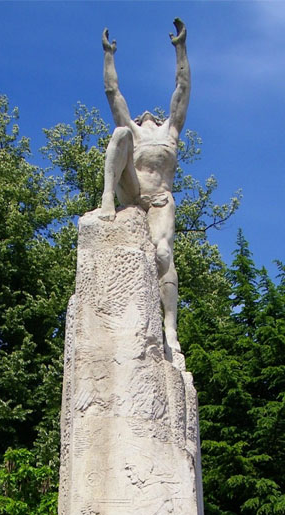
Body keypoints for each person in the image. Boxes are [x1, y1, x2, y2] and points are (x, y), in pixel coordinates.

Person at [100, 19, 191, 352]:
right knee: (118, 135)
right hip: (132, 191)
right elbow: (113, 92)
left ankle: (170, 330)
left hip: (160, 201)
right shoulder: (134, 131)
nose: (147, 114)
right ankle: (107, 196)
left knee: (164, 253)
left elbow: (182, 89)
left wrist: (180, 48)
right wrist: (109, 56)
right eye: (142, 115)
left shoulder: (170, 133)